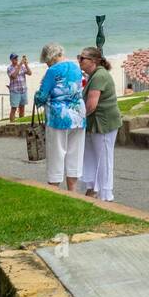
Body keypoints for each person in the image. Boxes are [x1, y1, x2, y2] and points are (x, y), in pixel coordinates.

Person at [34, 43, 86, 192]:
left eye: (46, 61)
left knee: (56, 153)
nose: (46, 64)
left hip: (59, 117)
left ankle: (54, 188)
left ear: (50, 57)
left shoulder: (52, 71)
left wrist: (37, 96)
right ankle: (73, 190)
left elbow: (42, 97)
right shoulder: (76, 67)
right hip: (78, 116)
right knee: (75, 153)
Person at [77, 47, 122, 202]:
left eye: (82, 58)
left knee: (104, 158)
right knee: (93, 157)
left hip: (104, 123)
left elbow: (91, 105)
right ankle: (94, 189)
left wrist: (78, 118)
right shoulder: (94, 75)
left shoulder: (99, 76)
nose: (79, 61)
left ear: (93, 61)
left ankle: (106, 194)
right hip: (95, 124)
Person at [7, 53, 32, 121]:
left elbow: (30, 73)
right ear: (11, 59)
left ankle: (20, 123)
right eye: (14, 58)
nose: (16, 59)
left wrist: (26, 64)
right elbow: (14, 76)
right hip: (15, 91)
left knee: (22, 108)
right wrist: (20, 65)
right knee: (14, 108)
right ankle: (12, 124)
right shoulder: (9, 68)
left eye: (17, 58)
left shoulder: (22, 67)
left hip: (23, 90)